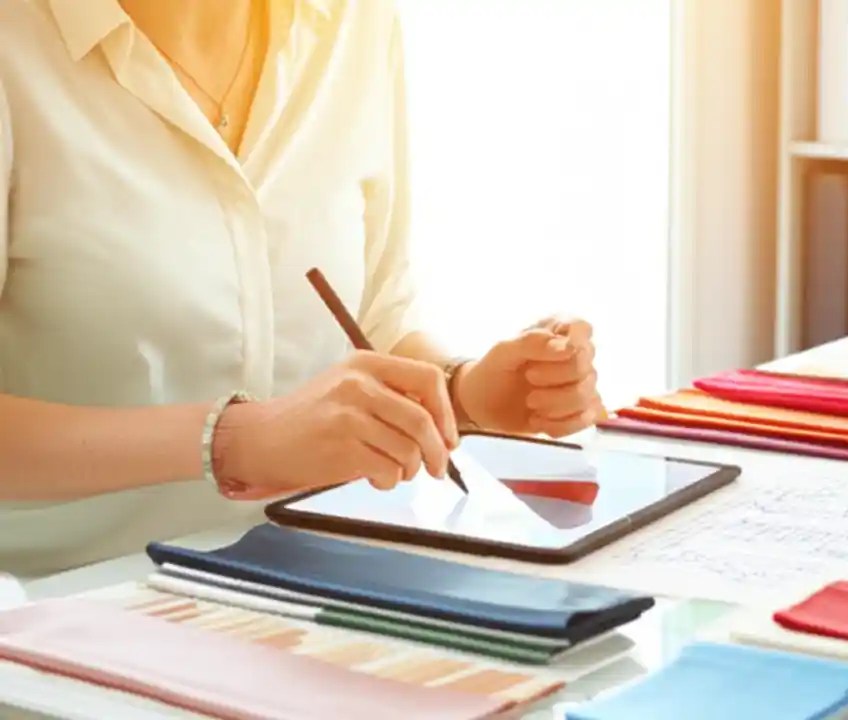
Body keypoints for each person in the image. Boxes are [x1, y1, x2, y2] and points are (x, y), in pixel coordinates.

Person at [0, 0, 605, 578]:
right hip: (61, 603)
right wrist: (237, 441)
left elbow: (375, 312)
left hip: (312, 577)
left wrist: (464, 393)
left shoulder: (353, 23)